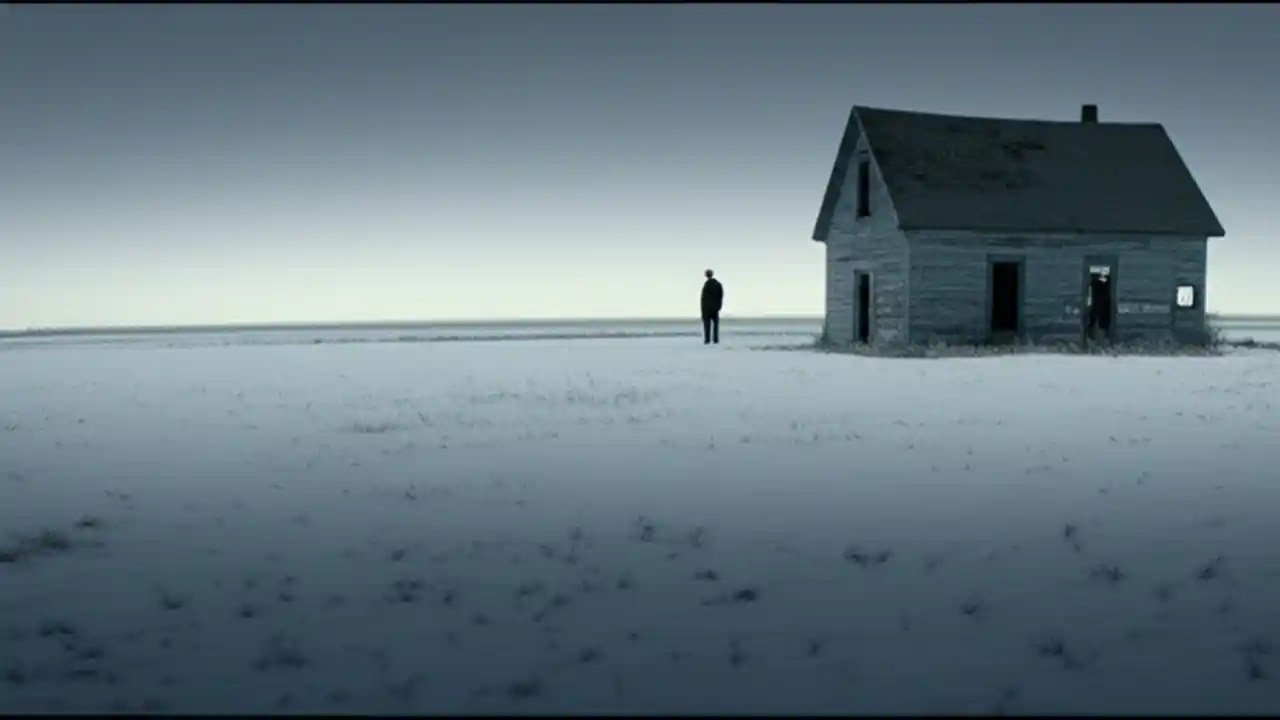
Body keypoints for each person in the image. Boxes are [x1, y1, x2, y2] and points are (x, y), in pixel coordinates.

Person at [700, 269, 723, 344]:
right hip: (715, 308)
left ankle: (707, 339)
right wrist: (719, 306)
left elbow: (704, 299)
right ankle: (715, 339)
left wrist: (703, 310)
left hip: (707, 308)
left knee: (707, 325)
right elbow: (721, 296)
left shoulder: (707, 285)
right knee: (715, 325)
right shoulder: (718, 284)